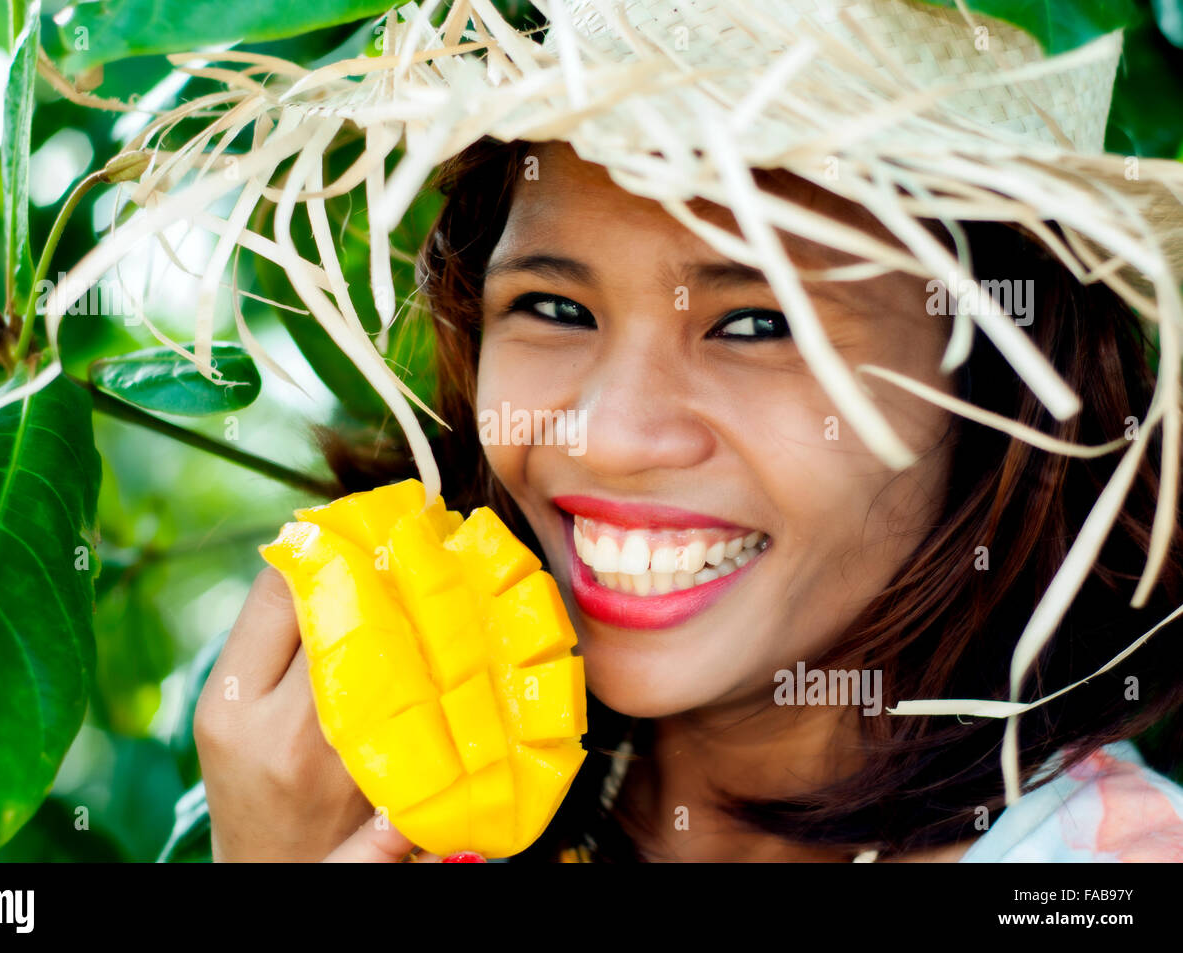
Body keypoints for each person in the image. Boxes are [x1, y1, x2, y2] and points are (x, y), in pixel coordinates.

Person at [69, 0, 1183, 862]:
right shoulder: (353, 780)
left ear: (1005, 381)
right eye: (554, 309)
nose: (608, 436)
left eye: (757, 324)